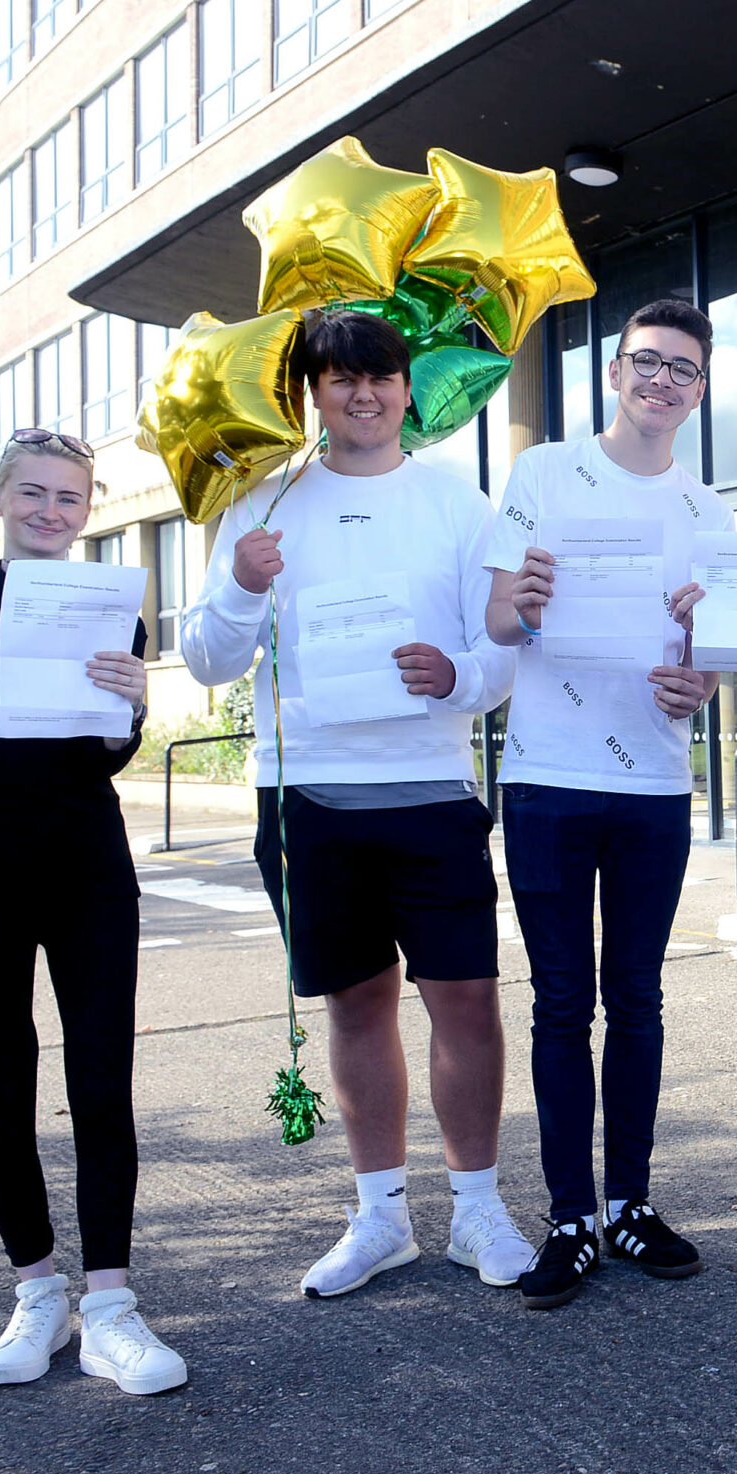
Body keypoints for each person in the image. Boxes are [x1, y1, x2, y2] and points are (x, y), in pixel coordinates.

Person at [184, 308, 530, 1302]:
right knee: (355, 1003)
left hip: (429, 792)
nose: (363, 395)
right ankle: (380, 1216)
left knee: (464, 997)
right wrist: (243, 587)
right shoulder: (261, 502)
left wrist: (453, 673)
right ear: (312, 392)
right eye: (340, 379)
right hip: (307, 798)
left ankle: (475, 1209)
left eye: (379, 376)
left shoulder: (457, 505)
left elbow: (497, 655)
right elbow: (209, 660)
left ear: (405, 387)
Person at [0, 430, 185, 1395]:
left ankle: (111, 1308)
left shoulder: (110, 614)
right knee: (0, 1087)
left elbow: (100, 760)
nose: (52, 511)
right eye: (35, 493)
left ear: (87, 510)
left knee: (103, 1082)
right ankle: (38, 1291)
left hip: (90, 868)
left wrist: (128, 710)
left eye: (70, 498)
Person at [482, 299, 729, 1307]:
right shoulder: (544, 473)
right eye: (646, 363)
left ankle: (628, 1203)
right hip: (546, 779)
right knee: (557, 1004)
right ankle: (570, 1218)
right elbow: (496, 618)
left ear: (699, 391)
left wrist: (700, 684)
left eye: (681, 369)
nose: (661, 380)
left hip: (651, 784)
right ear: (615, 374)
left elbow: (707, 658)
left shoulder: (709, 511)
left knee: (636, 999)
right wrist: (525, 604)